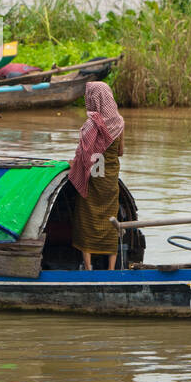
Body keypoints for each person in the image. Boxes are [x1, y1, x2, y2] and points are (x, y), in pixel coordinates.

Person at [69, 81, 126, 270]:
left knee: (86, 219)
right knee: (111, 221)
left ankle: (88, 265)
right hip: (110, 182)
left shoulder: (92, 125)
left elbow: (83, 155)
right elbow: (120, 152)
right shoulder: (119, 123)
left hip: (93, 180)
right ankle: (111, 268)